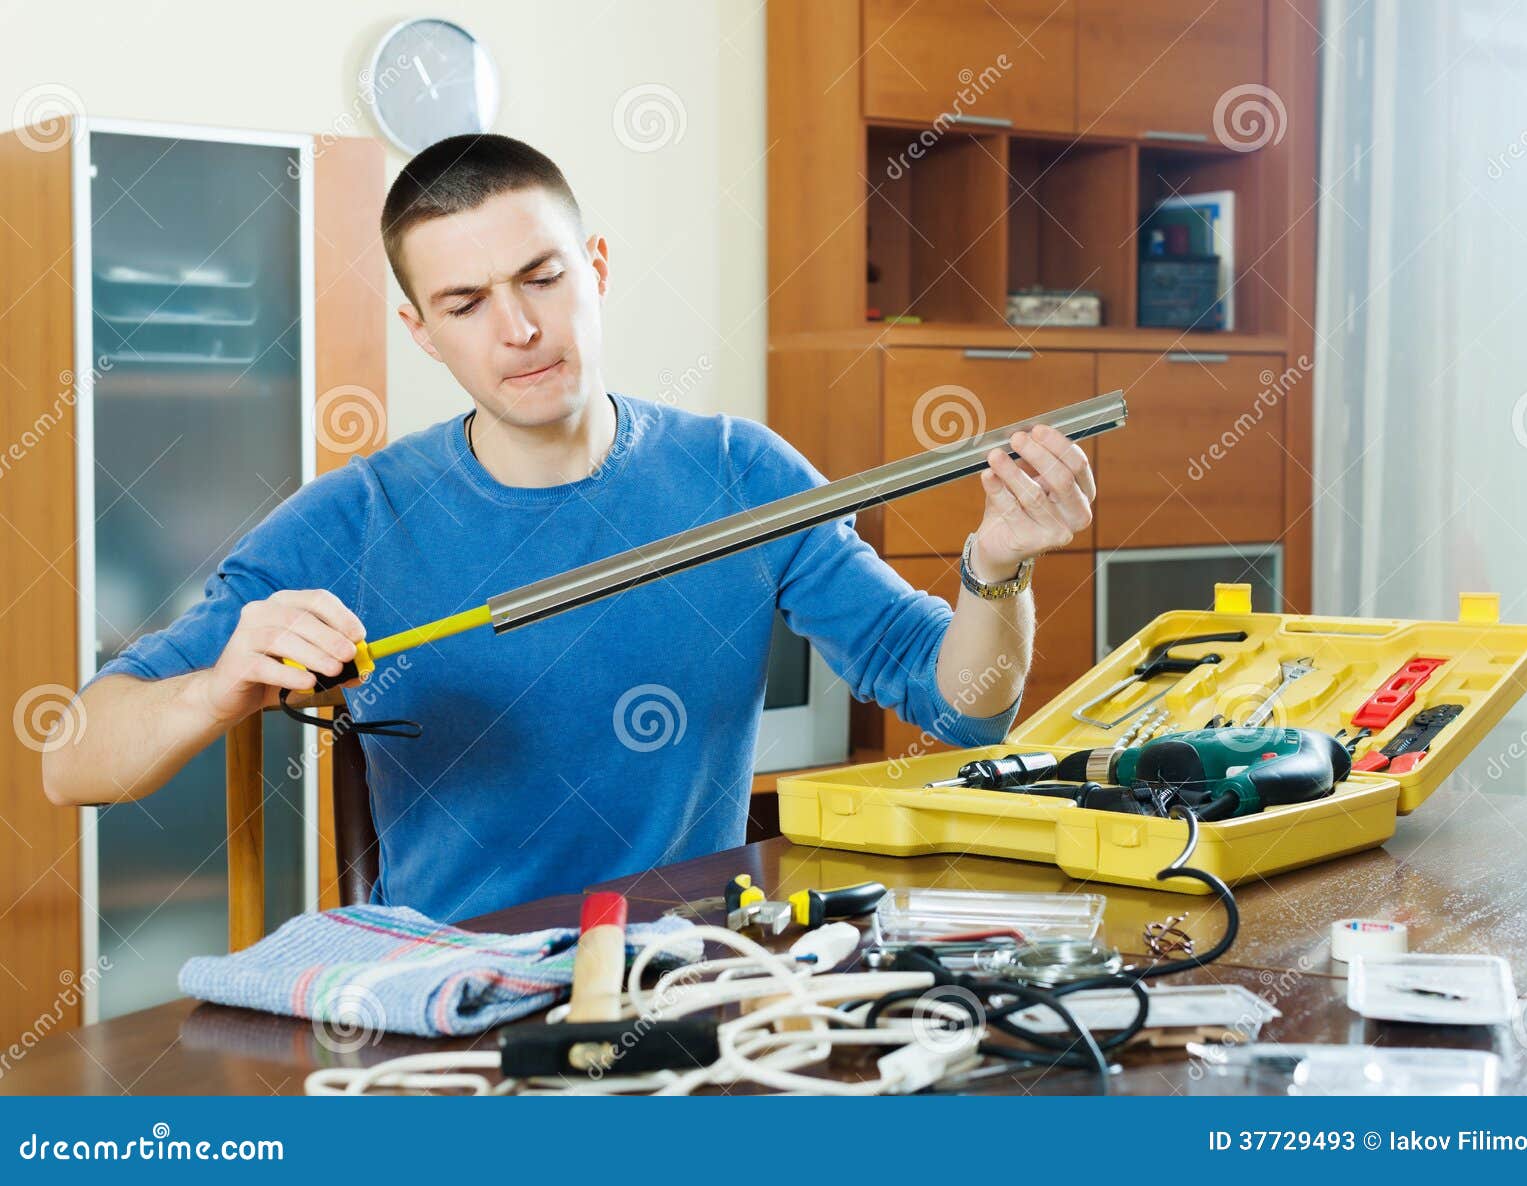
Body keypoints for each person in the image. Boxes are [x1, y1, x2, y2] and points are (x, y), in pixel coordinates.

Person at [42, 133, 1096, 921]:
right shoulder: (350, 521)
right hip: (453, 1006)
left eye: (541, 278)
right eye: (466, 303)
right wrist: (216, 686)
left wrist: (997, 567)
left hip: (689, 983)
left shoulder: (740, 472)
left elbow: (962, 708)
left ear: (594, 266)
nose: (519, 328)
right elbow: (72, 760)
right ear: (421, 330)